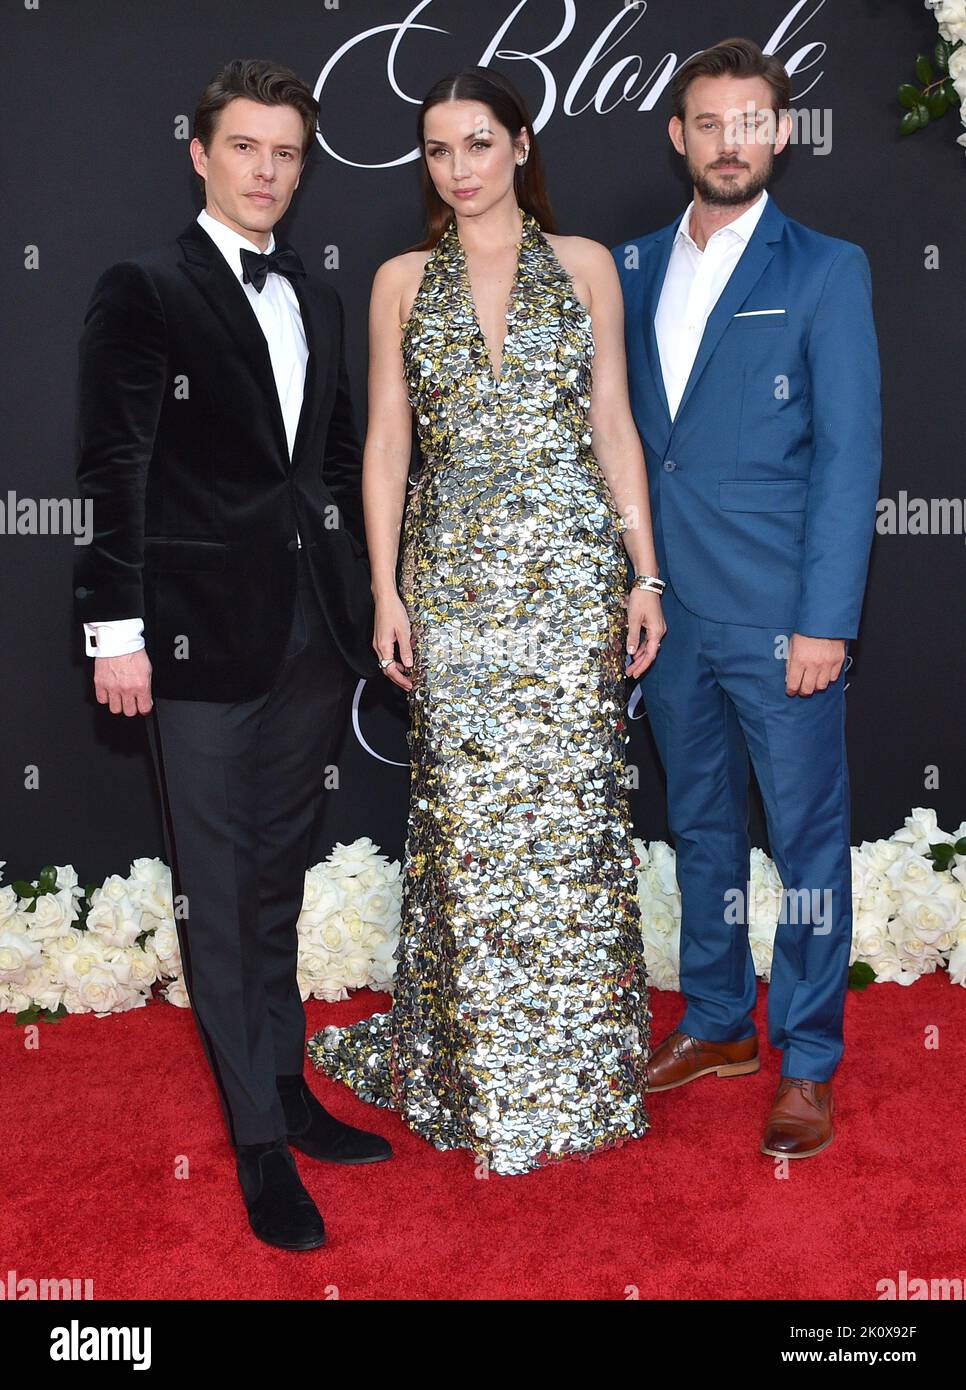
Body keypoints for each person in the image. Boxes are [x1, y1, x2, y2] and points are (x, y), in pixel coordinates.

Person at [307, 67, 664, 1177]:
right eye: (437, 150)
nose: (457, 169)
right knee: (467, 831)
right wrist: (386, 588)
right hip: (454, 579)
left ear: (519, 145)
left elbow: (613, 422)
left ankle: (581, 1069)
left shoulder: (589, 266)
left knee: (569, 823)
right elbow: (383, 447)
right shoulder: (401, 281)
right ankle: (474, 1070)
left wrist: (646, 575)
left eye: (476, 144)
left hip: (568, 578)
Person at [73, 58, 392, 1251]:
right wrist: (117, 631)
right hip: (194, 643)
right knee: (217, 889)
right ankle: (258, 1143)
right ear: (200, 154)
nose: (267, 170)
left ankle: (289, 1087)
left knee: (276, 882)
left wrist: (363, 594)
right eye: (246, 148)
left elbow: (329, 457)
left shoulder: (307, 295)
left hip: (309, 631)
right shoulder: (143, 287)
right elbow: (116, 466)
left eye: (288, 152)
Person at [613, 38, 882, 1158]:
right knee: (703, 828)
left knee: (808, 844)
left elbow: (849, 455)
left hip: (782, 618)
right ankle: (721, 1022)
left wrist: (826, 618)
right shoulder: (625, 268)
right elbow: (630, 445)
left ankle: (807, 1058)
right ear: (679, 137)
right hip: (666, 613)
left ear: (780, 133)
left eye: (751, 122)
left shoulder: (828, 267)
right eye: (708, 124)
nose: (730, 142)